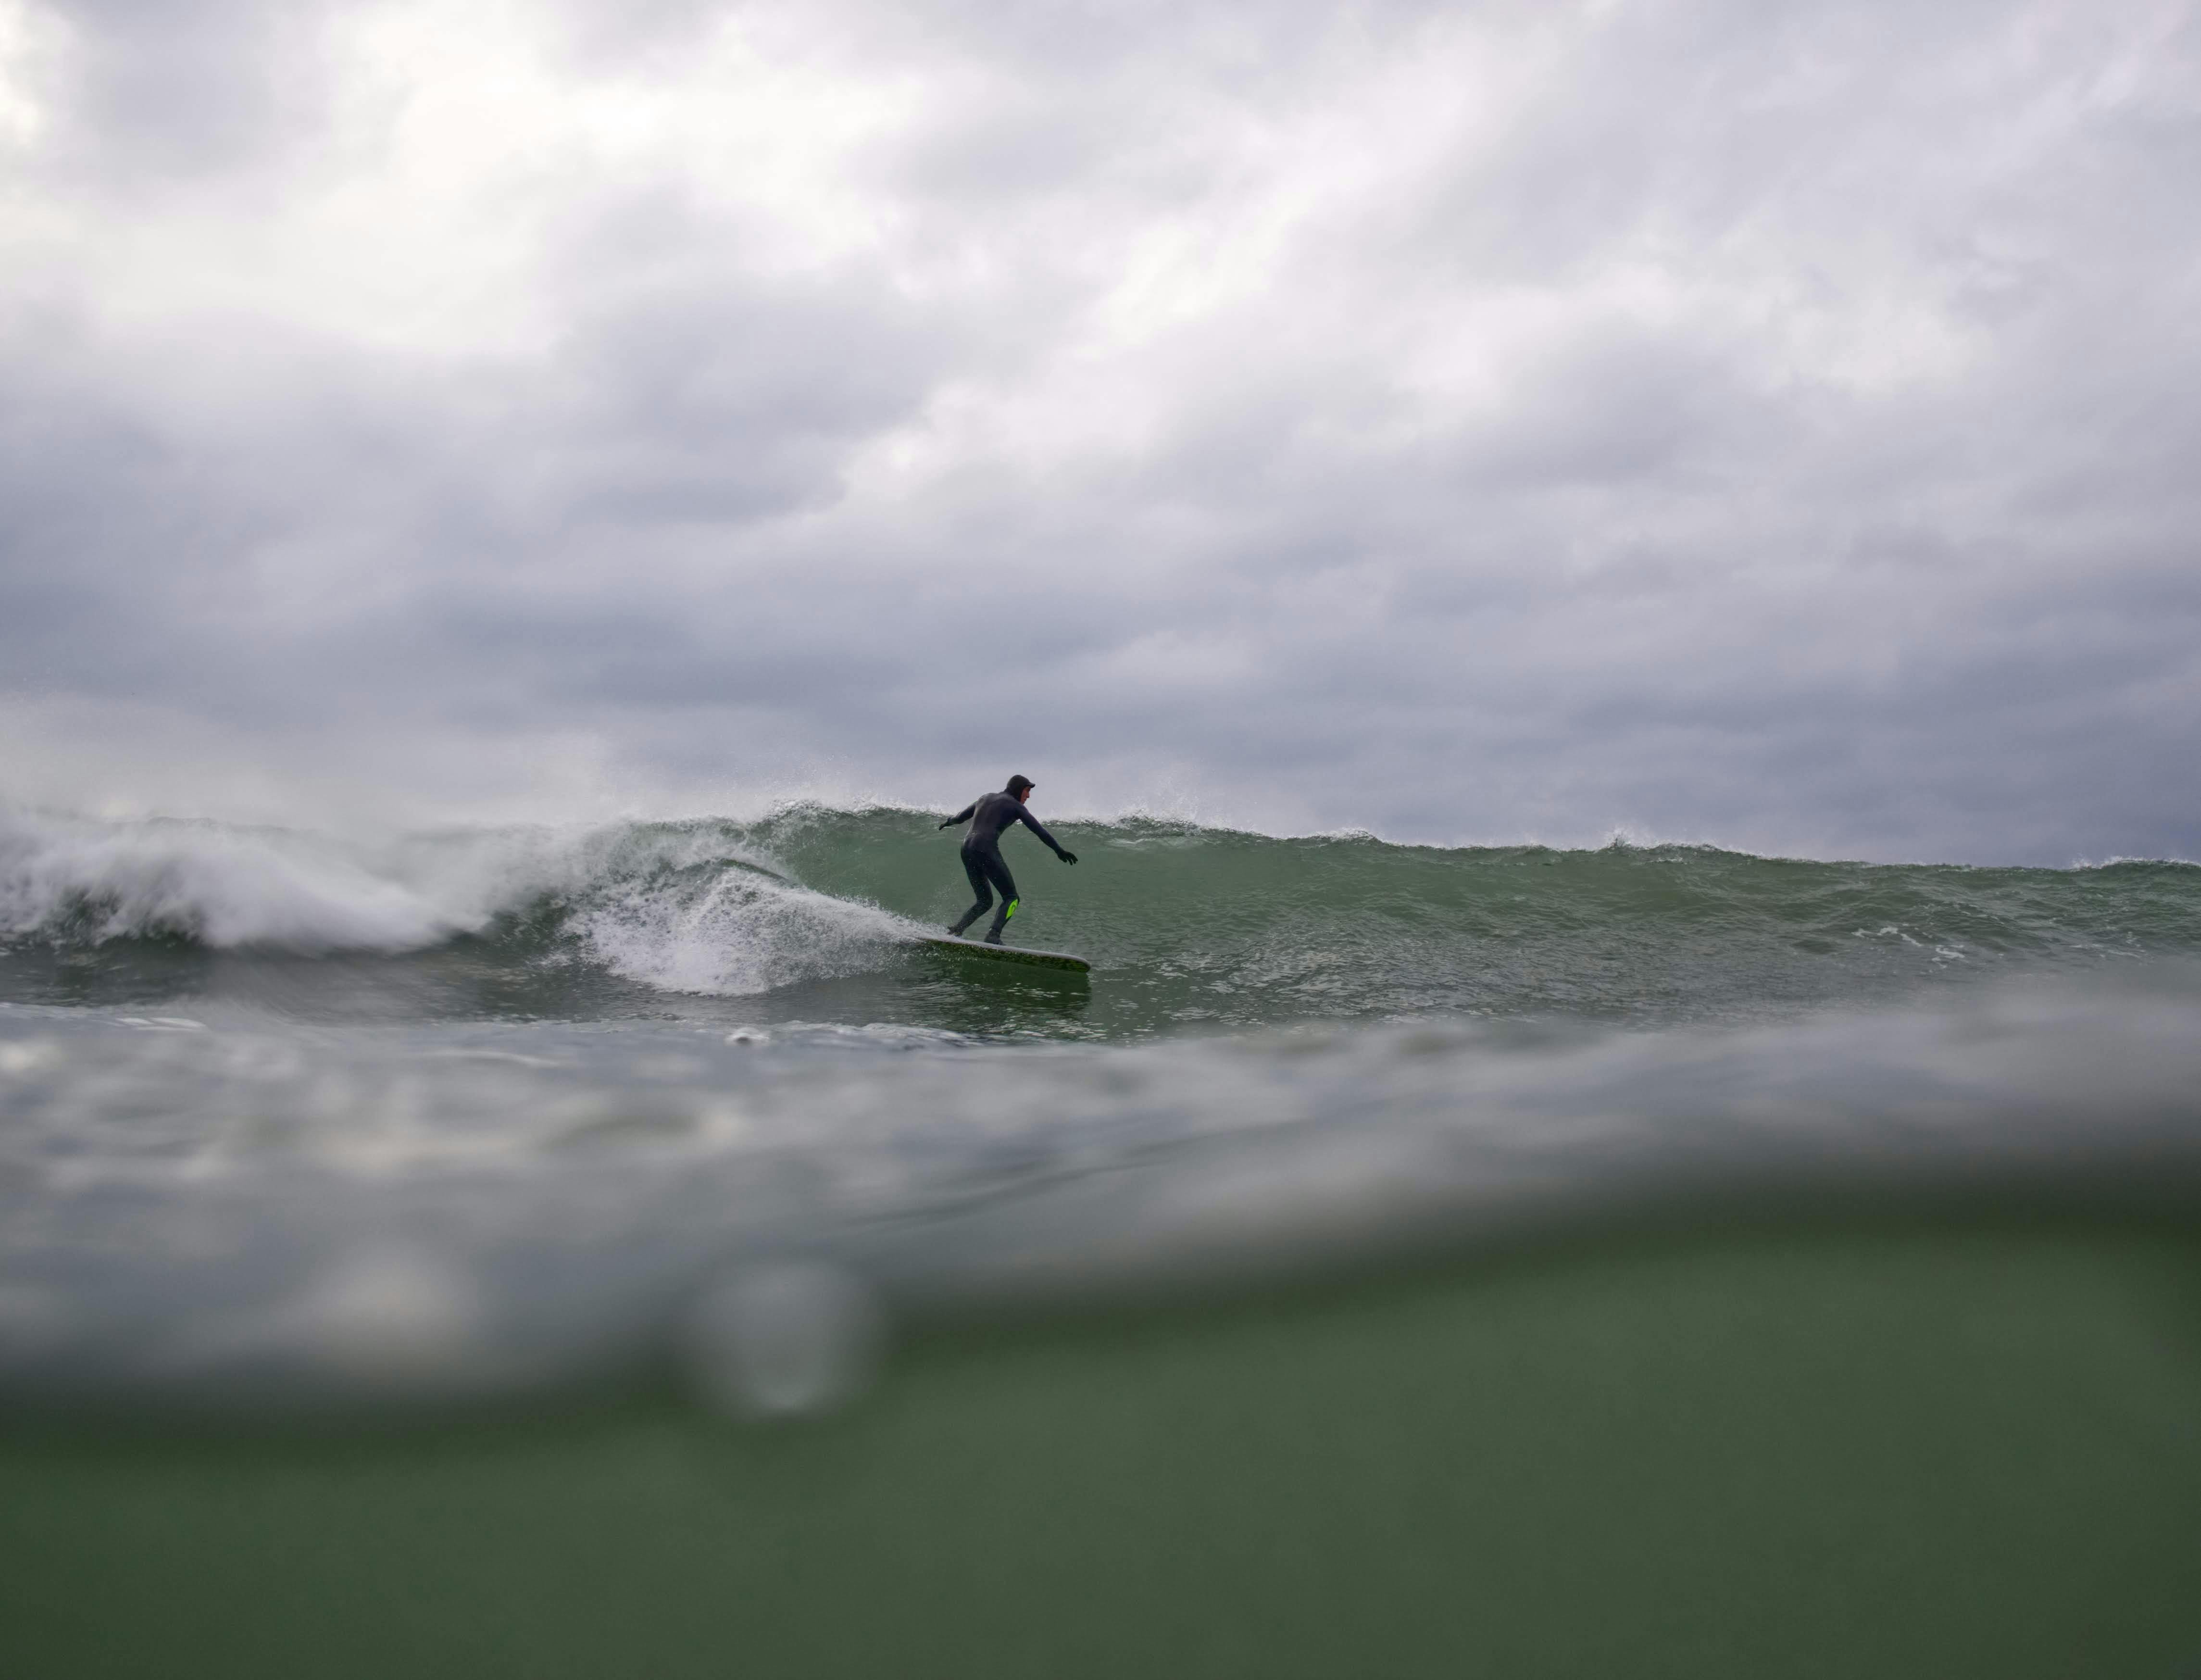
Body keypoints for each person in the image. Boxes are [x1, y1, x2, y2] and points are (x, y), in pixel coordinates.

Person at [938, 774, 1078, 943]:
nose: (1028, 796)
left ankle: (956, 931)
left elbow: (960, 818)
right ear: (1018, 789)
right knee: (1012, 898)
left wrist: (948, 822)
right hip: (985, 848)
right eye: (1027, 791)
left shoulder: (985, 798)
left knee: (984, 901)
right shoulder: (1015, 806)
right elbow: (1039, 830)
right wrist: (1059, 850)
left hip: (967, 848)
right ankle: (993, 935)